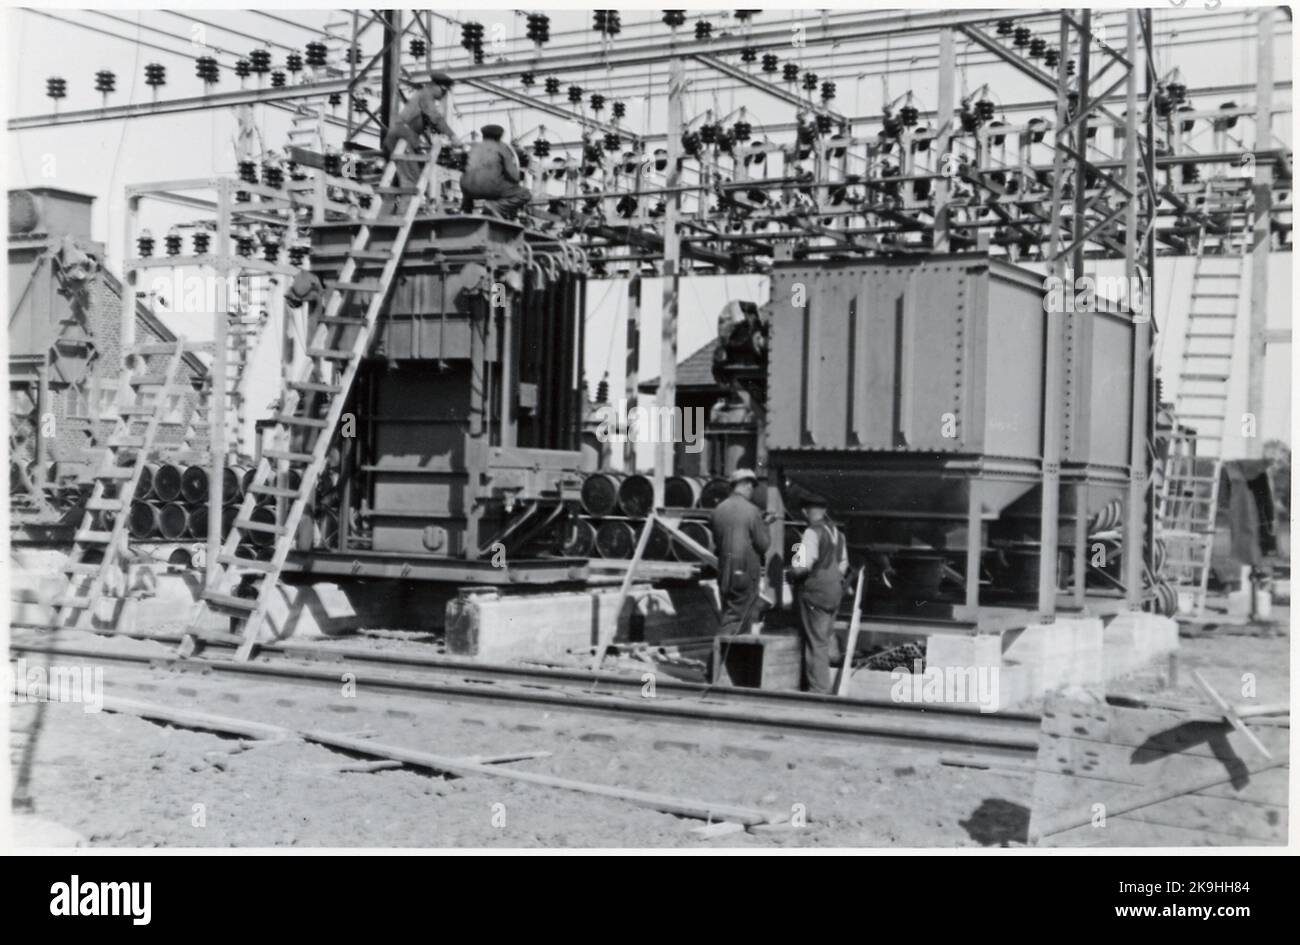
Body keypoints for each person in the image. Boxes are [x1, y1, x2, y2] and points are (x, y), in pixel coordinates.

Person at [788, 493, 849, 694]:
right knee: (824, 638)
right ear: (824, 511)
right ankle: (820, 685)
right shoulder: (838, 533)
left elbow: (804, 565)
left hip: (816, 593)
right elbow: (843, 564)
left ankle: (819, 690)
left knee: (816, 643)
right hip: (834, 591)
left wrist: (792, 571)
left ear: (805, 512)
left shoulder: (811, 532)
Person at [709, 469, 771, 638]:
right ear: (744, 485)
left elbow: (717, 541)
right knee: (737, 622)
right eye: (751, 487)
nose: (752, 491)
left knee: (730, 614)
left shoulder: (718, 510)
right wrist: (765, 525)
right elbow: (763, 544)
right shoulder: (752, 511)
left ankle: (731, 661)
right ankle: (717, 660)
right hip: (745, 574)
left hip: (724, 574)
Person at [460, 124, 532, 219]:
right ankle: (496, 206)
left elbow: (466, 168)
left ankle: (466, 210)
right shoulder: (502, 148)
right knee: (525, 194)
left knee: (470, 181)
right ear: (499, 137)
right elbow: (515, 177)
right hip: (489, 188)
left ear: (483, 135)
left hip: (467, 189)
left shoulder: (474, 147)